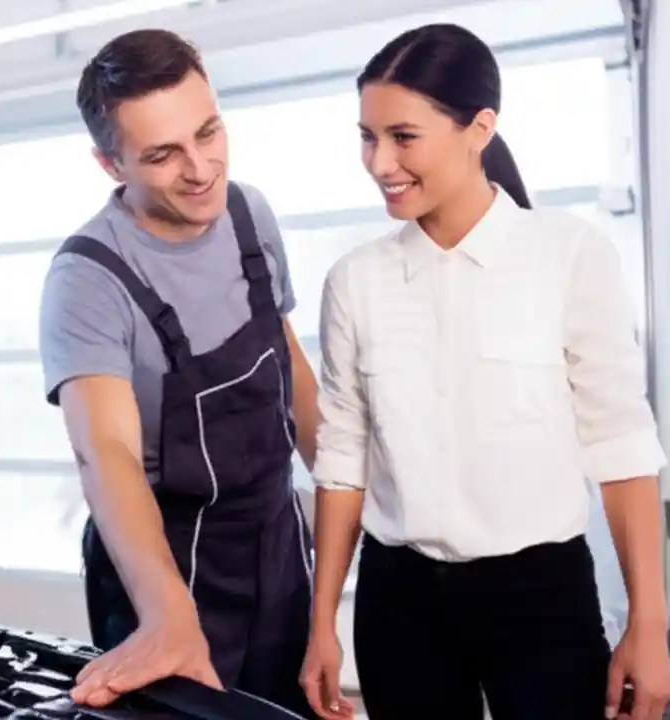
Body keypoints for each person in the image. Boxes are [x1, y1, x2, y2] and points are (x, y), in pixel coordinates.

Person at [299, 22, 670, 720]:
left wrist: (650, 624)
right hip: (398, 600)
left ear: (480, 127)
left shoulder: (568, 255)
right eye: (366, 136)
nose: (380, 162)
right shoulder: (356, 280)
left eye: (403, 137)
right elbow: (342, 457)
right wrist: (324, 622)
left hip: (541, 596)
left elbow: (622, 447)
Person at [38, 28, 322, 717]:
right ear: (112, 164)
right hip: (167, 559)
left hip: (278, 538)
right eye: (163, 155)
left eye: (209, 133)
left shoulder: (250, 215)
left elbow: (291, 368)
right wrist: (167, 617)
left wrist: (365, 505)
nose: (200, 170)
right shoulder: (88, 277)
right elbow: (104, 452)